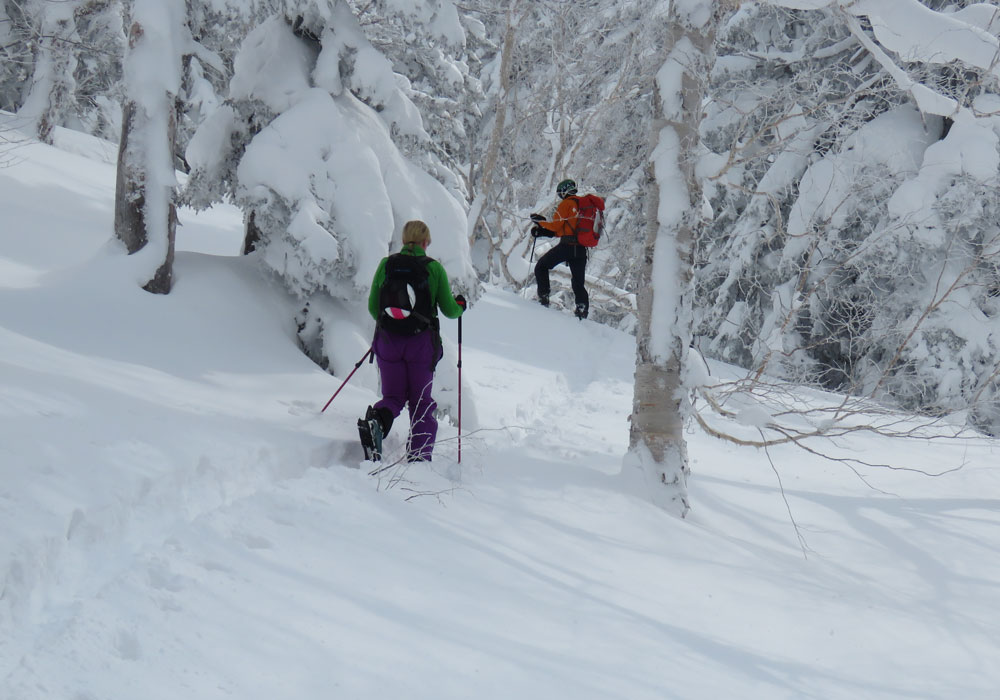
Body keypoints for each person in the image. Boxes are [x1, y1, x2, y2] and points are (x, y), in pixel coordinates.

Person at [359, 220, 466, 462]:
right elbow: (449, 310)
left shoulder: (387, 264)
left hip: (388, 343)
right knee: (421, 401)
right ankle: (418, 457)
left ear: (404, 240)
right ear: (425, 242)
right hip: (421, 346)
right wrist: (460, 307)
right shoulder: (434, 269)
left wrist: (391, 327)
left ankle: (376, 423)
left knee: (393, 397)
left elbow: (373, 306)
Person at [531, 178, 590, 319]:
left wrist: (541, 223)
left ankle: (544, 298)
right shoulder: (584, 205)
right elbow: (563, 230)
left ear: (564, 191)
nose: (560, 196)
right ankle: (582, 310)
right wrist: (544, 231)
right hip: (581, 249)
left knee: (541, 266)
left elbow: (556, 226)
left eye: (560, 193)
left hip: (567, 247)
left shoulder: (566, 204)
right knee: (578, 282)